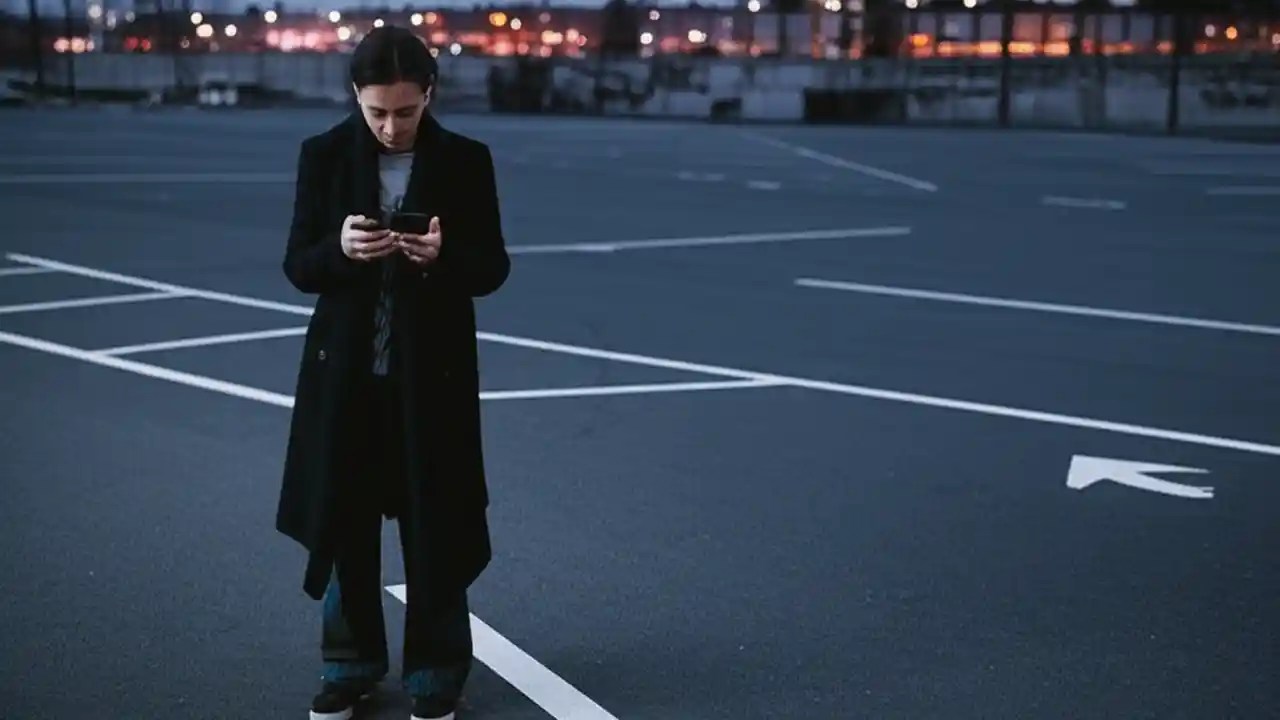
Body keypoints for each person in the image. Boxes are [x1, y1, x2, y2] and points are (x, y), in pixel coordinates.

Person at [276, 25, 510, 720]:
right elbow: (298, 264)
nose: (390, 126)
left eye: (405, 111)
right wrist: (342, 248)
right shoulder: (323, 155)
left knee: (436, 526)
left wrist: (443, 257)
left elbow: (492, 267)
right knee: (344, 523)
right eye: (377, 111)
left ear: (429, 94)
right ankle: (348, 665)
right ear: (356, 94)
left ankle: (436, 676)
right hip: (346, 379)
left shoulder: (466, 161)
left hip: (430, 381)